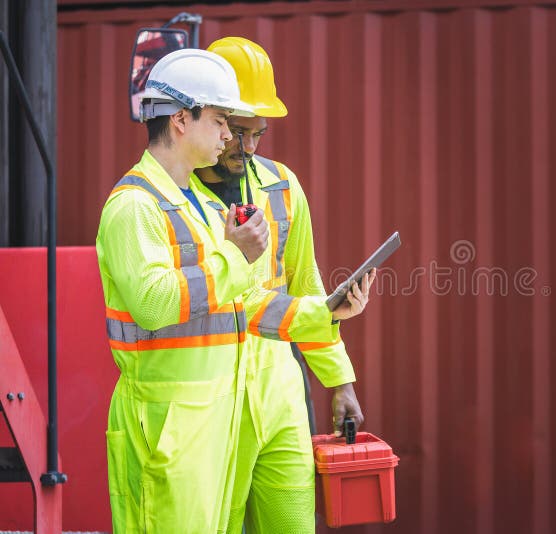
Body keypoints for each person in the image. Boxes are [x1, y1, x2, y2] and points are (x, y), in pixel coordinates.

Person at [194, 37, 371, 533]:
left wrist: (339, 382)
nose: (248, 148)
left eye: (260, 134)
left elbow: (308, 288)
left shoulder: (280, 187)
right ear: (212, 118)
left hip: (280, 398)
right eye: (239, 133)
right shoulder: (172, 196)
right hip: (212, 405)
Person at [96, 48, 268, 533]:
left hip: (209, 420)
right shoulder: (134, 207)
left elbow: (232, 305)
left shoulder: (197, 205)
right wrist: (234, 255)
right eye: (218, 120)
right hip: (166, 425)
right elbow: (153, 304)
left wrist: (328, 313)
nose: (229, 136)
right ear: (179, 120)